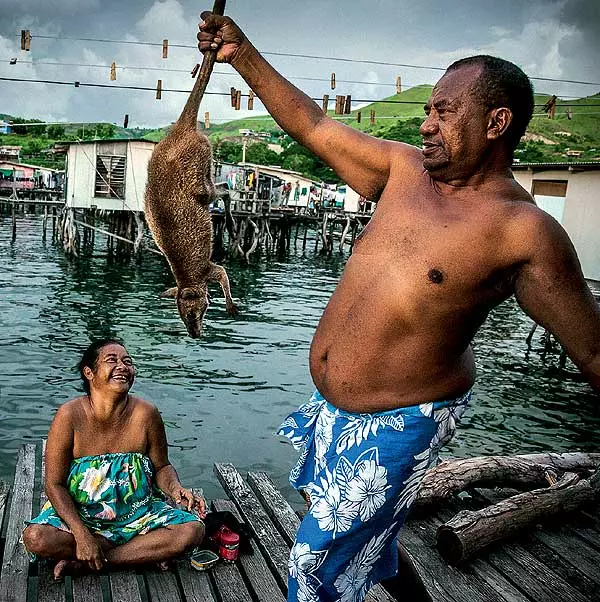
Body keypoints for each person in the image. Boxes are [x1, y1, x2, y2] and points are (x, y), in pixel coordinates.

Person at [198, 15, 600, 602]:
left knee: (313, 568)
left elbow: (591, 348)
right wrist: (241, 54)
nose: (426, 123)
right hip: (330, 407)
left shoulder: (522, 234)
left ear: (497, 123)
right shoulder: (402, 170)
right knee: (352, 540)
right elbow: (312, 123)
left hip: (401, 418)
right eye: (429, 110)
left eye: (444, 111)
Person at [23, 339, 206, 580]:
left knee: (192, 531)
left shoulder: (147, 414)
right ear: (89, 373)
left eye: (127, 362)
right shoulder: (69, 416)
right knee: (36, 538)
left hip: (139, 515)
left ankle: (91, 563)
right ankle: (140, 553)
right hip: (82, 516)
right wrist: (81, 534)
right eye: (112, 360)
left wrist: (175, 488)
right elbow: (54, 485)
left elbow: (162, 466)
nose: (122, 366)